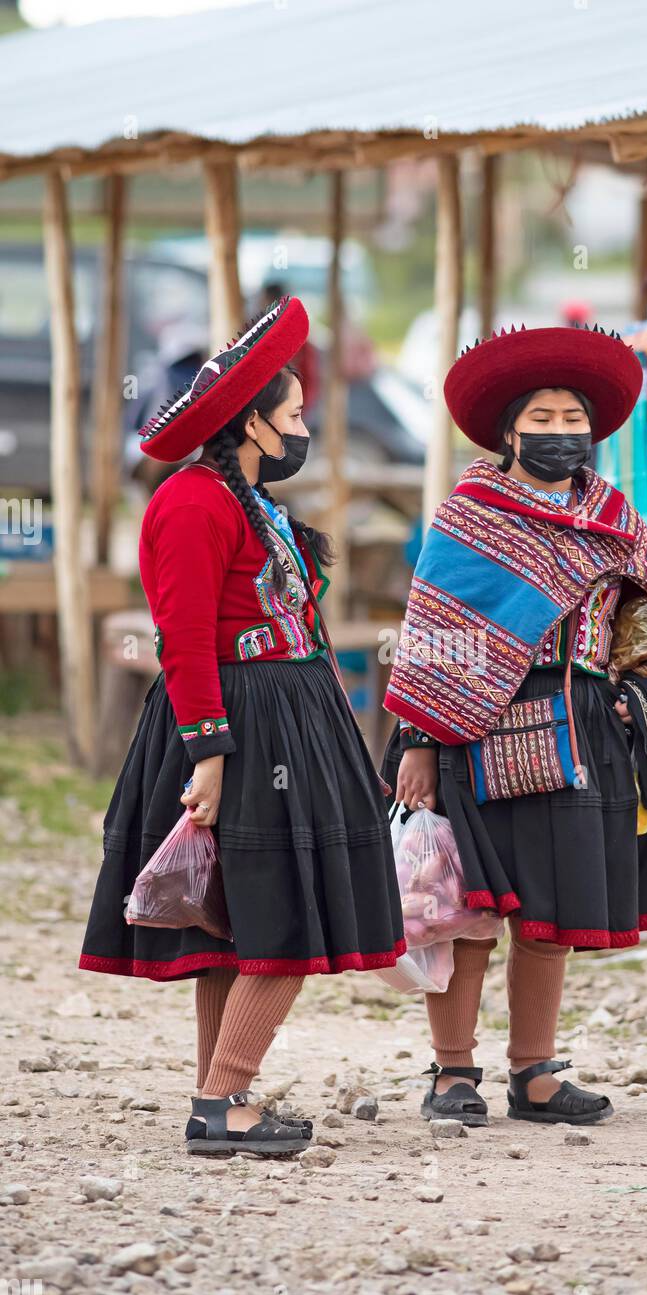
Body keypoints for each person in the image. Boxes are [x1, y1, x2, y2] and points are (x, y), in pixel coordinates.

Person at [381, 323, 647, 1128]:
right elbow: (435, 632)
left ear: (593, 429)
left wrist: (639, 694)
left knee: (550, 919)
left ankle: (534, 1074)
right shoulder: (469, 516)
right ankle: (451, 1075)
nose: (557, 433)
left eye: (570, 418)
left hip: (582, 731)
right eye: (539, 419)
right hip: (472, 725)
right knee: (469, 913)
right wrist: (421, 740)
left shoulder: (615, 516)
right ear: (508, 430)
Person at [79, 295, 405, 1159]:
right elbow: (182, 639)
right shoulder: (191, 504)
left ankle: (221, 1098)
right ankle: (223, 1104)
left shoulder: (249, 503)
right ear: (253, 424)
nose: (305, 426)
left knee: (239, 924)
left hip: (292, 719)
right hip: (244, 728)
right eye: (293, 414)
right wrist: (209, 753)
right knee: (283, 919)